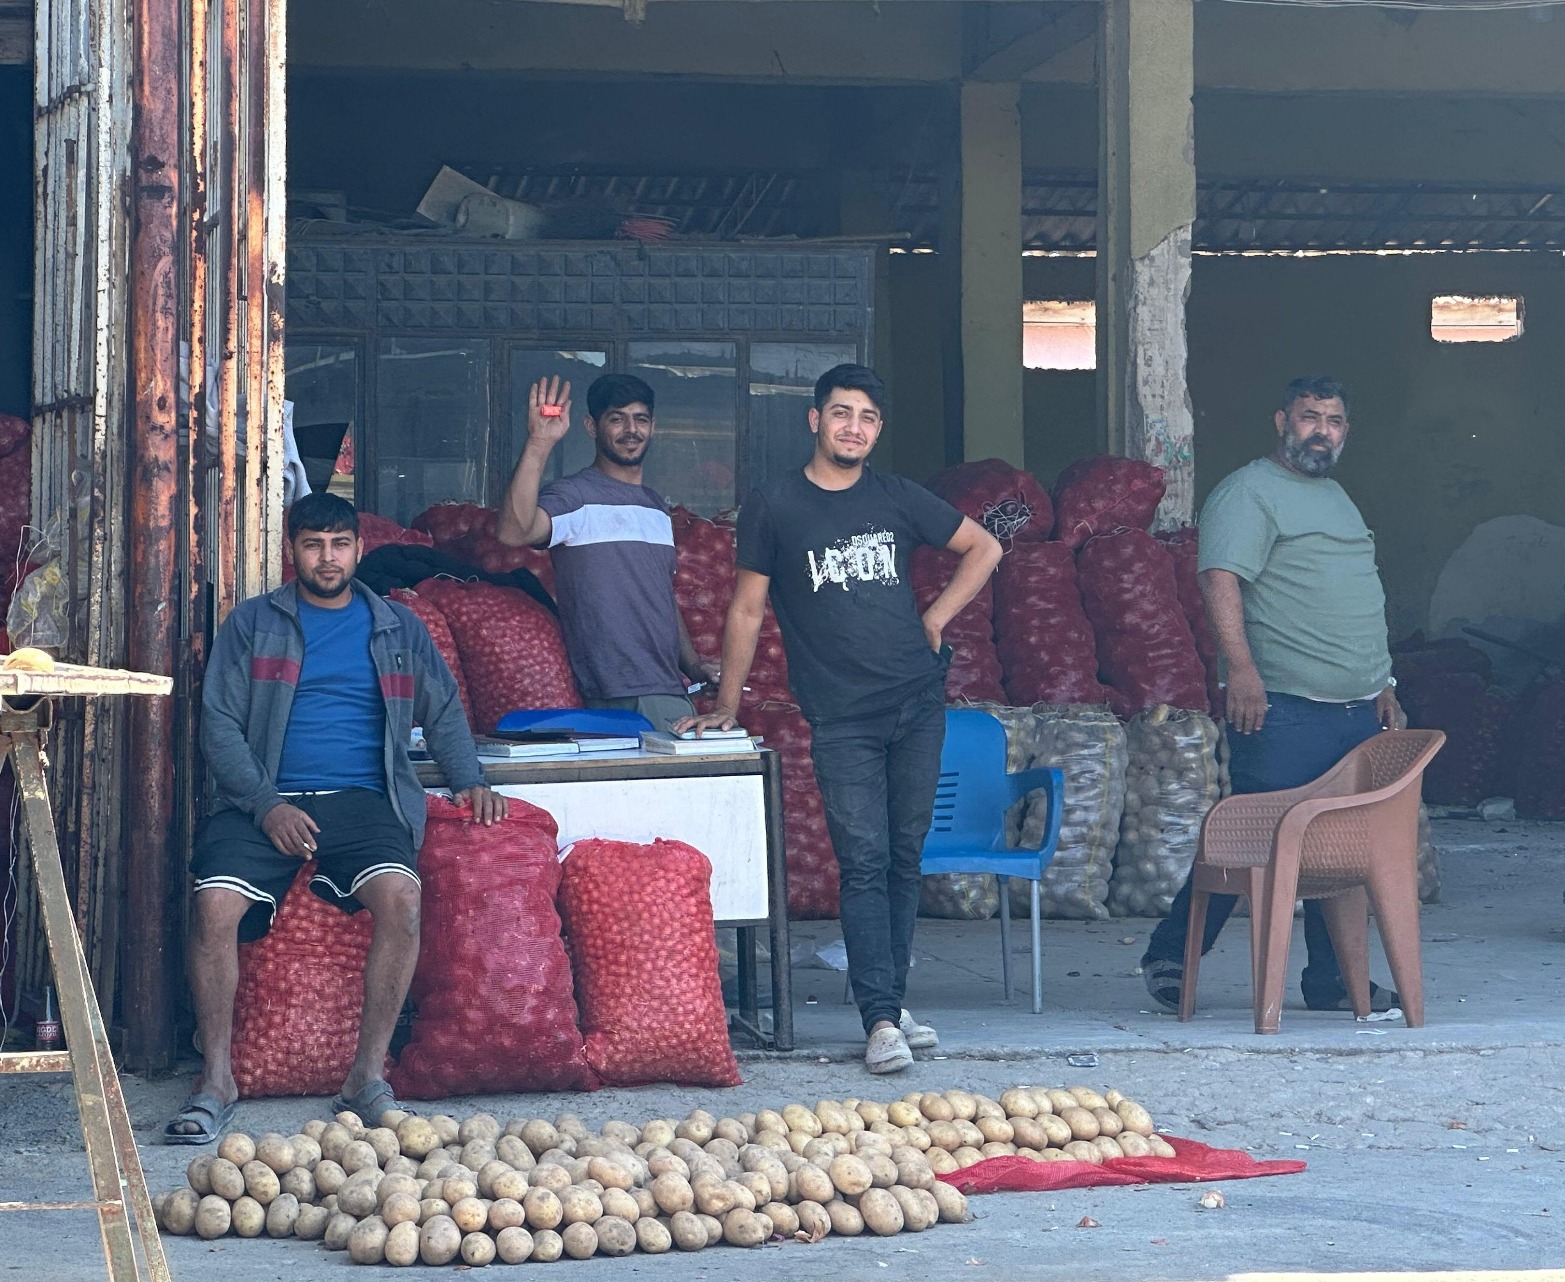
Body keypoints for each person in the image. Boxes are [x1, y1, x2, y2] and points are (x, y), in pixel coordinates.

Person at [678, 364, 1002, 1073]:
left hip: (917, 700)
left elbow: (986, 546)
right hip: (842, 715)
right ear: (814, 420)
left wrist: (937, 614)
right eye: (841, 413)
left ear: (876, 431)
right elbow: (746, 609)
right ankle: (880, 1019)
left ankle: (889, 1000)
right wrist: (726, 704)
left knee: (902, 857)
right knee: (862, 860)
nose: (854, 426)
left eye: (867, 417)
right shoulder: (778, 505)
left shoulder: (895, 496)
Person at [165, 493, 506, 1143]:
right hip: (262, 797)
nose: (328, 557)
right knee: (213, 908)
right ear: (292, 551)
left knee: (403, 901)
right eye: (313, 544)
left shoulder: (397, 628)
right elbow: (219, 729)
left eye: (340, 544)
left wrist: (470, 779)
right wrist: (268, 805)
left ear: (357, 550)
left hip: (361, 798)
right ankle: (216, 1080)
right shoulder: (255, 625)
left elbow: (443, 708)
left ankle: (365, 1079)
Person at [1140, 375, 1406, 1015]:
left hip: (1356, 708)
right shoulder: (1249, 492)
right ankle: (1172, 955)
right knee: (1256, 837)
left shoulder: (1339, 499)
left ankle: (1331, 981)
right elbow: (1221, 579)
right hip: (1282, 704)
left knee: (1336, 851)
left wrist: (1385, 684)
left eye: (1335, 421)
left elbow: (1358, 598)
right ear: (1281, 420)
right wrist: (1242, 670)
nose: (1323, 430)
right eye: (1311, 417)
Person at [496, 372, 718, 731]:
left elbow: (661, 595)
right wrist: (540, 442)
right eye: (617, 418)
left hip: (668, 691)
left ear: (653, 427)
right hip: (617, 695)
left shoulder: (655, 507)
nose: (631, 430)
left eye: (640, 419)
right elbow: (512, 531)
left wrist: (692, 666)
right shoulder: (575, 497)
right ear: (590, 426)